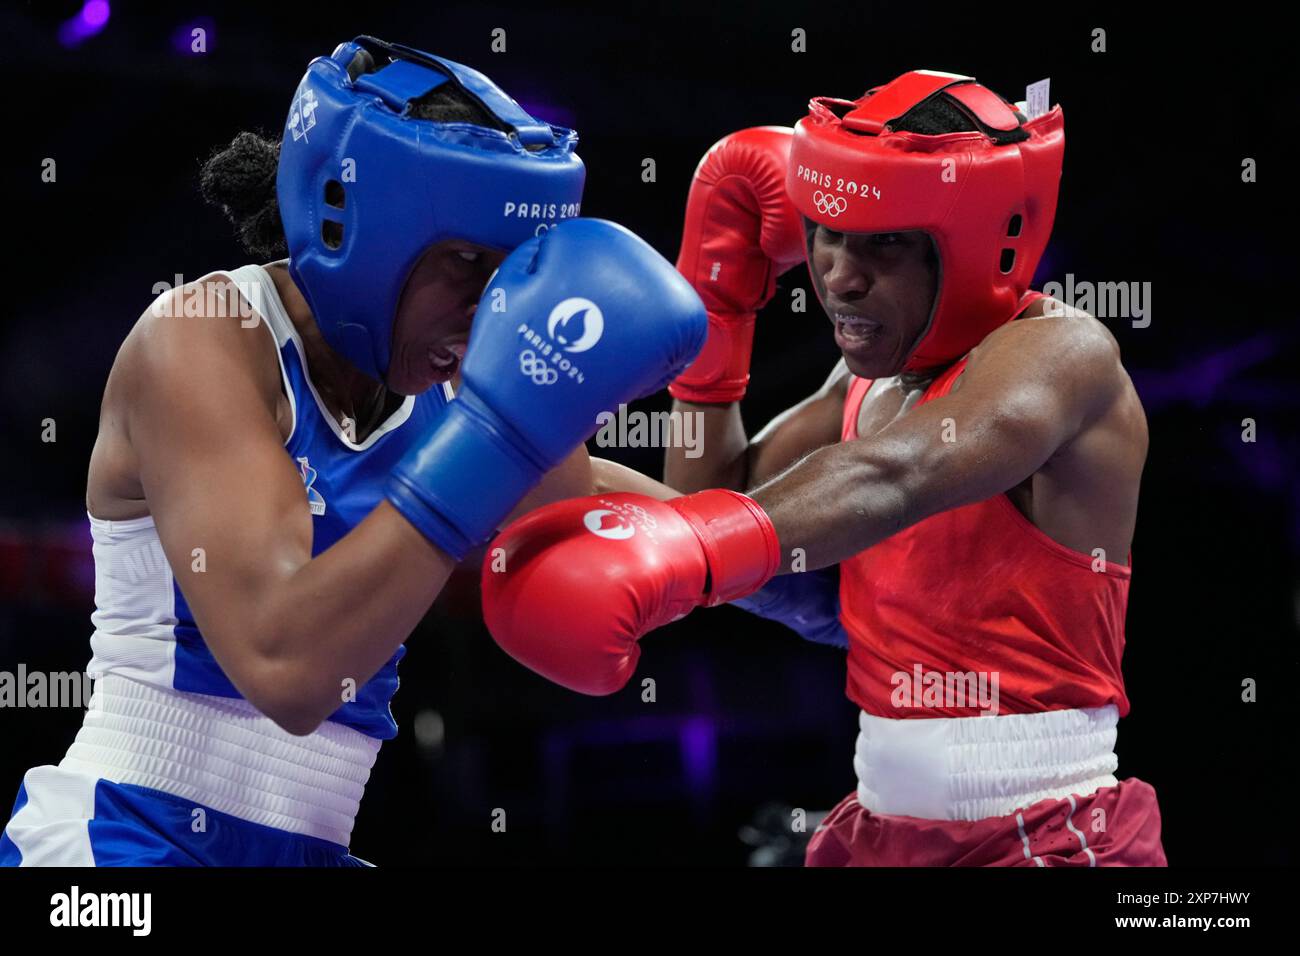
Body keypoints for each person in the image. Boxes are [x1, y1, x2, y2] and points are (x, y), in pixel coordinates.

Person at [0, 35, 705, 866]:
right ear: (350, 227)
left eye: (513, 271)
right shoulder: (203, 340)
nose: (492, 311)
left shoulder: (456, 394)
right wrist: (500, 432)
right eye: (467, 263)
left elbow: (660, 534)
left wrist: (810, 566)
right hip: (123, 837)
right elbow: (287, 664)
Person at [481, 71, 1167, 866]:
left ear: (984, 242)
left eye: (885, 242)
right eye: (828, 234)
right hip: (877, 828)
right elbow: (718, 506)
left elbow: (891, 477)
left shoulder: (1065, 353)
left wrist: (686, 553)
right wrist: (720, 313)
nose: (839, 274)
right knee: (573, 473)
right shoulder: (866, 382)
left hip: (1047, 829)